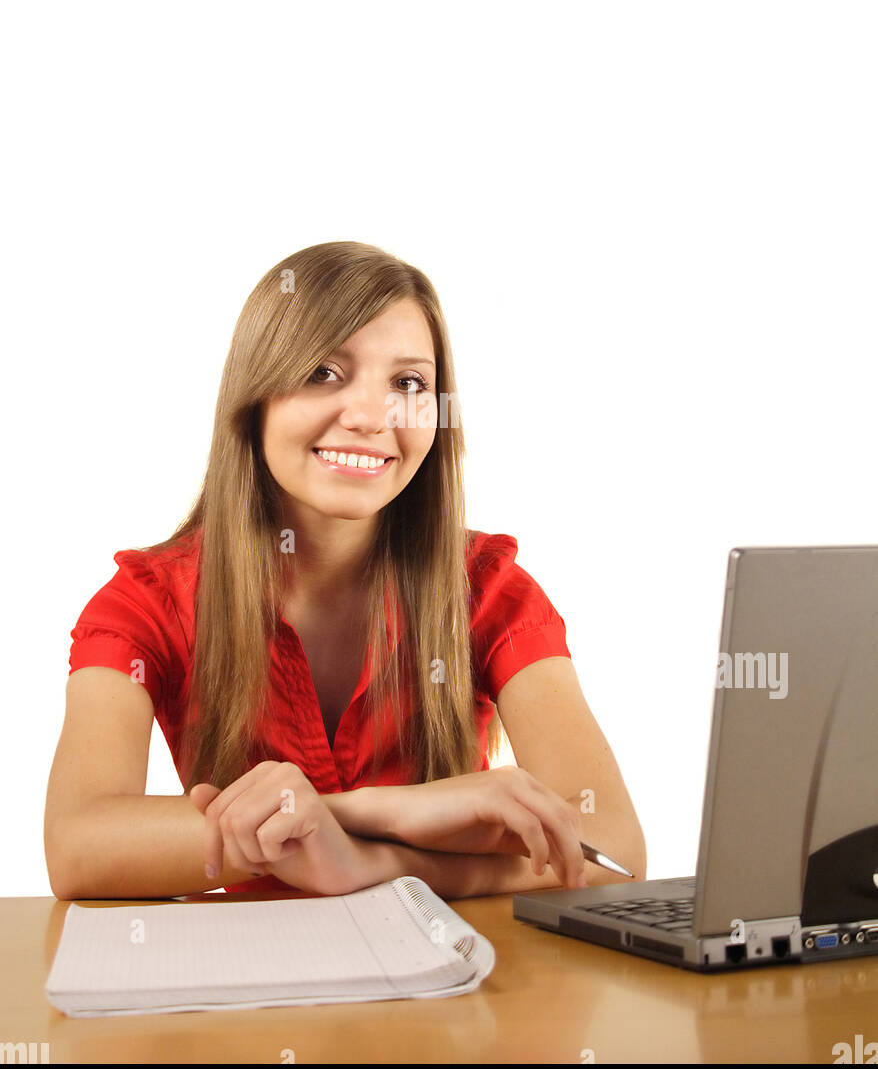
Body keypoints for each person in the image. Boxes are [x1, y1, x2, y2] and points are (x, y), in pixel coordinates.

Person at [44, 241, 646, 900]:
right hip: (246, 991)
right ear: (255, 399)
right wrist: (374, 813)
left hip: (455, 990)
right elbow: (79, 846)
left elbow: (611, 847)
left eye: (408, 383)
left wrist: (381, 864)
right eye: (324, 373)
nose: (369, 416)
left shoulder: (488, 590)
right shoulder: (147, 601)